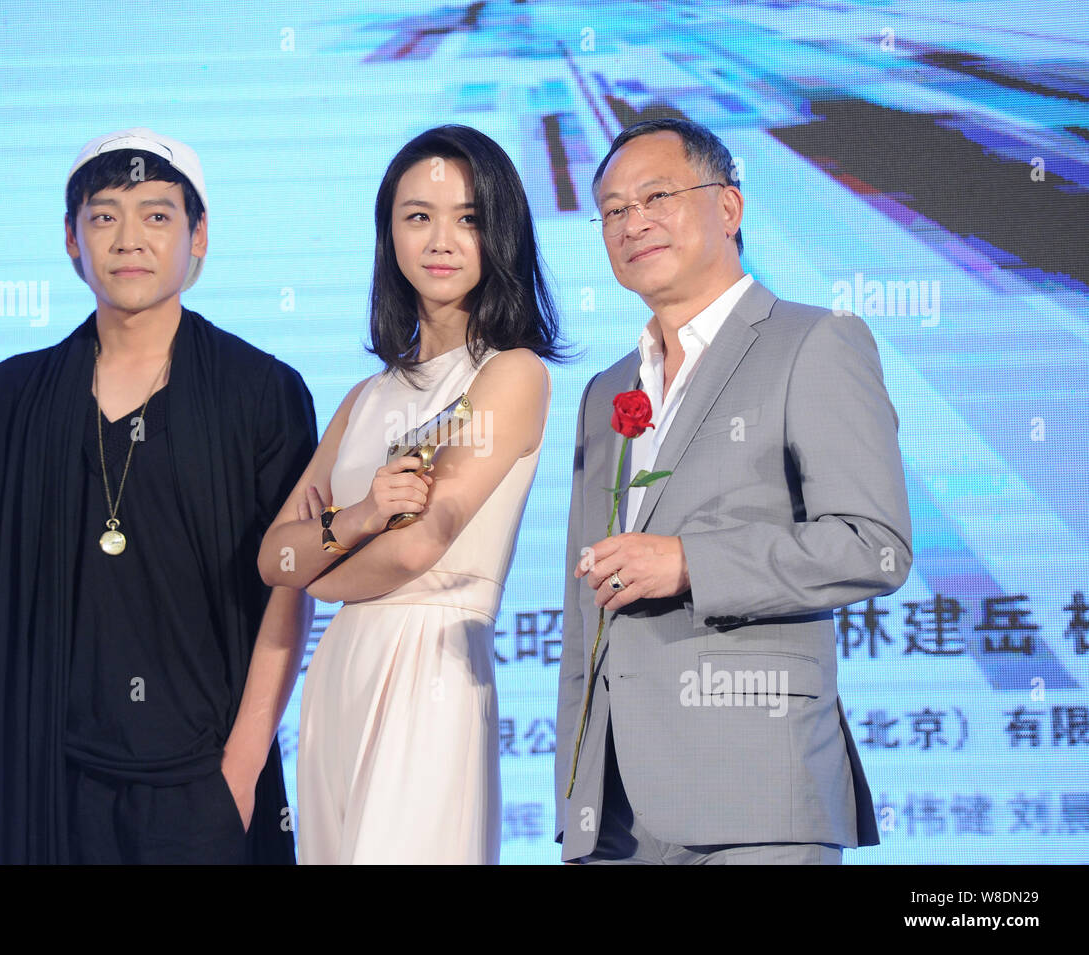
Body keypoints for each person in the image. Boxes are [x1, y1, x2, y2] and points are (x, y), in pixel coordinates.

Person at [0, 128, 317, 864]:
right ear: (71, 240)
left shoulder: (262, 391)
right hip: (47, 780)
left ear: (199, 238)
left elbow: (290, 587)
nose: (129, 238)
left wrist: (242, 768)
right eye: (104, 216)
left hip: (202, 780)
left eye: (158, 215)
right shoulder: (14, 395)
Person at [555, 118, 913, 864]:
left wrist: (692, 563)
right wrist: (577, 795)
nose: (633, 222)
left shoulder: (815, 341)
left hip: (759, 794)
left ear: (729, 207)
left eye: (657, 196)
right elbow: (583, 605)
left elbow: (874, 546)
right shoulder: (604, 391)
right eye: (614, 209)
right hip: (616, 815)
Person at [258, 125, 565, 864]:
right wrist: (363, 516)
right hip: (340, 675)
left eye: (469, 217)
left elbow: (421, 545)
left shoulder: (512, 373)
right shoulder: (366, 396)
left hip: (433, 664)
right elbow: (273, 557)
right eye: (418, 215)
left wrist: (324, 561)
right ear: (388, 232)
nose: (443, 238)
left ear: (502, 234)